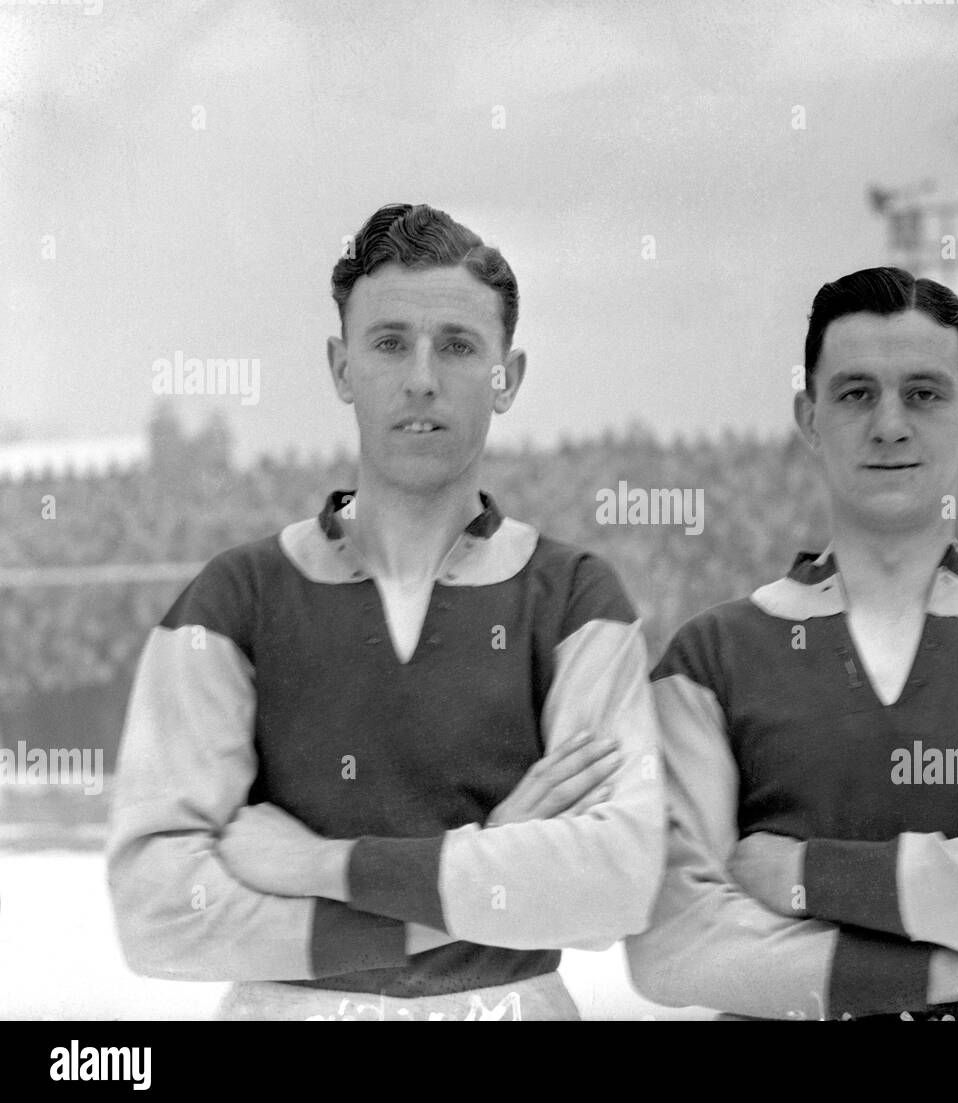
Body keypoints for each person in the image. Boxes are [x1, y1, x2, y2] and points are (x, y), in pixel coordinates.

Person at [107, 204, 664, 1020]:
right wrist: (482, 867)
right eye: (390, 342)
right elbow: (160, 914)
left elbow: (616, 883)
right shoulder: (231, 600)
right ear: (341, 367)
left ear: (508, 375)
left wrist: (323, 865)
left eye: (460, 346)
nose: (422, 379)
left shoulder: (577, 599)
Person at [625, 266, 958, 1020]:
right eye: (855, 393)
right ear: (809, 418)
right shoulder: (713, 656)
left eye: (924, 393)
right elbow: (675, 946)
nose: (889, 424)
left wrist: (813, 875)